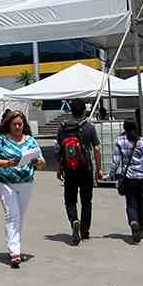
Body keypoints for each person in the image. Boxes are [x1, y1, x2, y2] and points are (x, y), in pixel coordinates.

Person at [0, 110, 42, 268]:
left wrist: (36, 162)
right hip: (6, 182)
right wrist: (7, 163)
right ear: (8, 125)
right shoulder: (1, 140)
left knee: (20, 216)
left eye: (20, 124)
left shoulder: (30, 140)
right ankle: (15, 252)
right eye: (15, 124)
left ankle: (14, 245)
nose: (18, 127)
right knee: (12, 215)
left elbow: (41, 162)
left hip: (26, 182)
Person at [54, 99, 103, 246]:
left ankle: (74, 220)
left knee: (70, 200)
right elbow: (97, 149)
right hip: (86, 168)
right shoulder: (89, 128)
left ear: (71, 111)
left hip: (69, 170)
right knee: (86, 201)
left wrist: (59, 167)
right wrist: (98, 169)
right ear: (84, 111)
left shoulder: (62, 128)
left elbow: (58, 149)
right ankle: (85, 230)